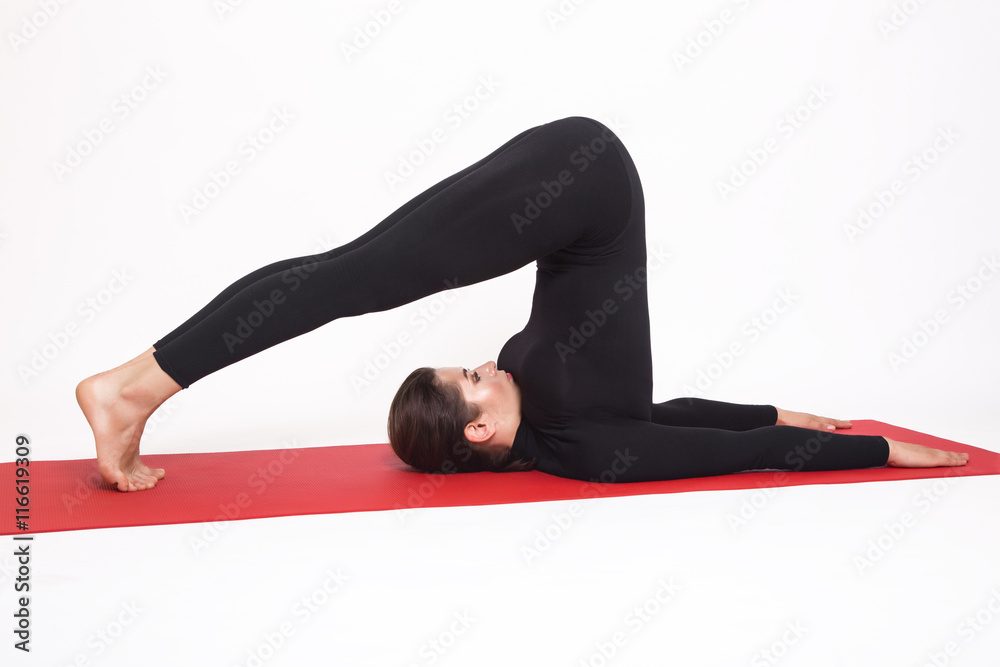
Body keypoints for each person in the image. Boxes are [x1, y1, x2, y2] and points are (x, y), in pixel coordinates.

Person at [76, 116, 968, 492]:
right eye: (471, 378)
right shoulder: (584, 442)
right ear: (479, 429)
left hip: (574, 181)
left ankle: (135, 385)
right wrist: (873, 447)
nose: (486, 363)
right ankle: (132, 387)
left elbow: (666, 420)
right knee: (344, 274)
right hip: (576, 179)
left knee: (344, 273)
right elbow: (714, 444)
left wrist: (775, 415)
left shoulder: (565, 424)